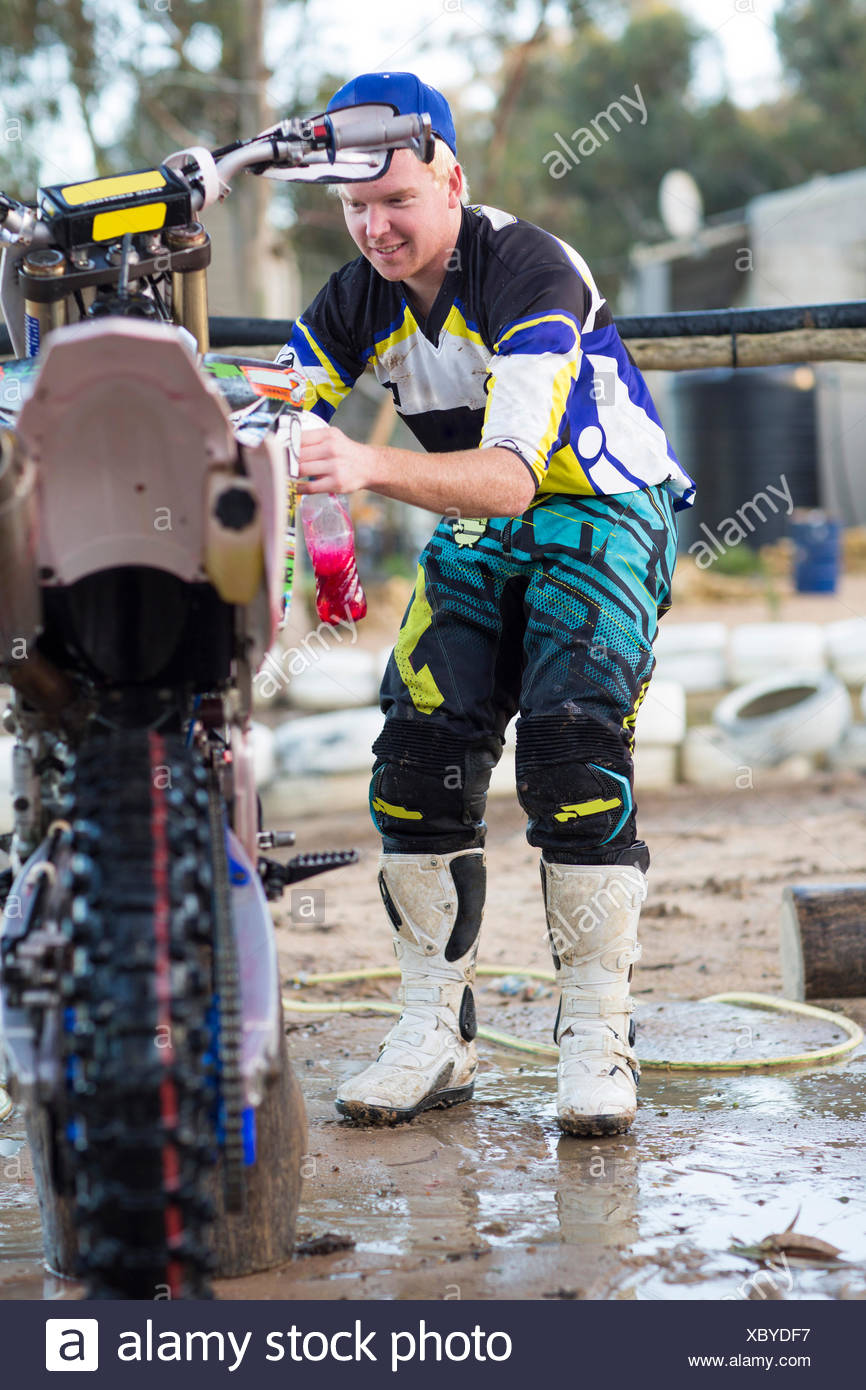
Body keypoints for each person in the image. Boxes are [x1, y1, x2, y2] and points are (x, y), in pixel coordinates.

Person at [278, 71, 695, 1136]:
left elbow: (508, 475)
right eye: (355, 209)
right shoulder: (350, 297)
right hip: (481, 511)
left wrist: (358, 464)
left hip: (599, 498)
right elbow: (270, 412)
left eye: (397, 201)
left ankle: (596, 1031)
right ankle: (433, 1030)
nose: (375, 228)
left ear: (451, 179)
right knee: (416, 744)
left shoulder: (526, 265)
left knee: (567, 735)